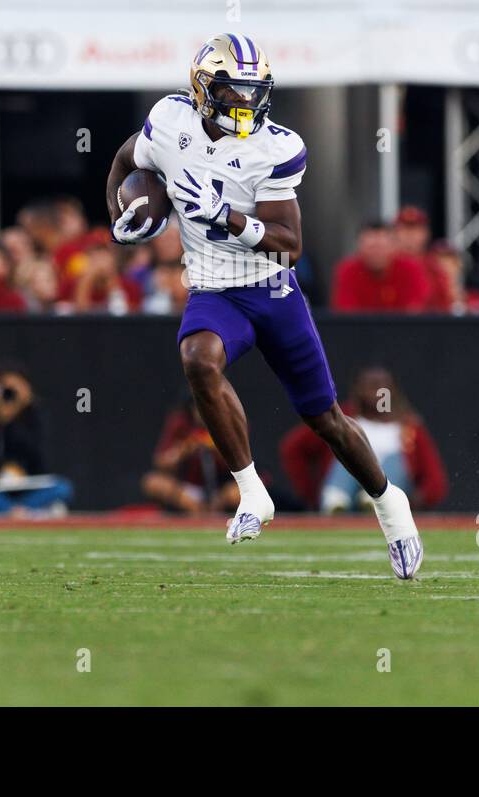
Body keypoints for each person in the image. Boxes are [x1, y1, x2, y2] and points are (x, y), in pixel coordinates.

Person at [105, 33, 424, 578]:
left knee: (324, 418)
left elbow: (290, 243)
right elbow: (124, 160)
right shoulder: (170, 122)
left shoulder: (272, 147)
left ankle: (391, 505)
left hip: (272, 291)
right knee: (197, 359)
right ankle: (252, 492)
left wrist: (227, 215)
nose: (246, 104)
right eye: (234, 92)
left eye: (254, 92)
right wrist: (123, 216)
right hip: (213, 289)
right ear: (204, 90)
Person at [280, 367, 447, 513]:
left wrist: (415, 501)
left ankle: (378, 496)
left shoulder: (409, 426)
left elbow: (435, 478)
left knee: (394, 460)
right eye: (372, 386)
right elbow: (293, 447)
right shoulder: (340, 418)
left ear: (394, 390)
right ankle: (335, 498)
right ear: (359, 390)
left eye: (384, 386)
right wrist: (311, 494)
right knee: (348, 450)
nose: (379, 392)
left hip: (389, 492)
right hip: (346, 494)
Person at [0, 362, 72, 517]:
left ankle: (9, 512)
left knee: (62, 487)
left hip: (30, 486)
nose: (9, 393)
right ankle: (15, 512)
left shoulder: (35, 415)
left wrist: (11, 420)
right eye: (5, 388)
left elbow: (39, 454)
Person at [141, 396, 240, 513]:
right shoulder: (180, 422)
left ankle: (215, 510)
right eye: (200, 407)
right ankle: (194, 509)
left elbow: (242, 464)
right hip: (187, 490)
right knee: (152, 482)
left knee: (246, 489)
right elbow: (161, 461)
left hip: (221, 490)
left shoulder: (230, 422)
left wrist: (218, 450)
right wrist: (183, 450)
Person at [330, 221, 432, 313]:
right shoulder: (348, 270)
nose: (376, 253)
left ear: (394, 247)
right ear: (359, 247)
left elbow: (416, 312)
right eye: (371, 247)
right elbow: (346, 314)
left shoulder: (411, 269)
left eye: (381, 247)